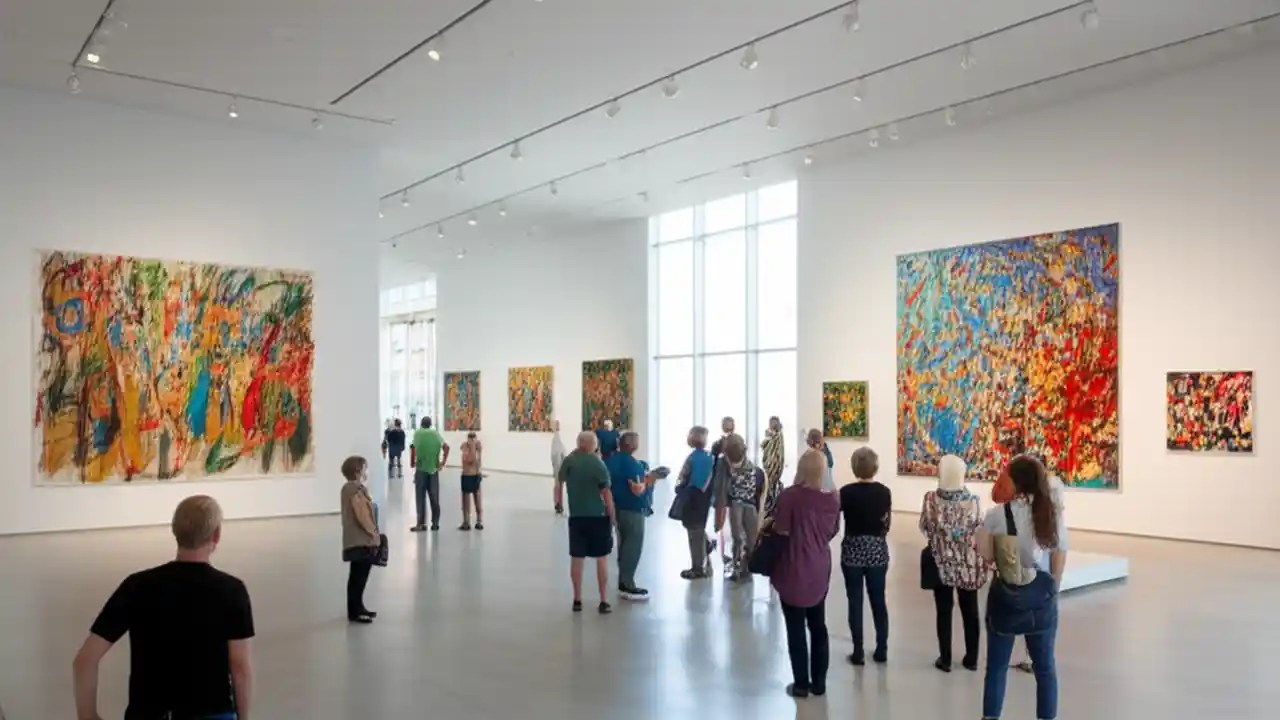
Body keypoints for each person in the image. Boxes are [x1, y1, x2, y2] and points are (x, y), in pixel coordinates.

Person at [73, 496, 254, 720]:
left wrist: (87, 716)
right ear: (216, 535)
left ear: (175, 531)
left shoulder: (137, 586)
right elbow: (240, 668)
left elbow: (85, 660)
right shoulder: (232, 590)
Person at [978, 455, 1069, 720]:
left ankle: (991, 716)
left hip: (1005, 596)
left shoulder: (996, 515)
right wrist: (1053, 586)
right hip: (1040, 597)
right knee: (1045, 668)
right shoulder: (1049, 514)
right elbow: (1059, 551)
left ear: (1014, 481)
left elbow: (986, 554)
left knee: (996, 668)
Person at [770, 450, 841, 698]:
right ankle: (819, 683)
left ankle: (801, 684)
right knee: (818, 625)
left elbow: (781, 530)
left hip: (793, 565)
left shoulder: (790, 496)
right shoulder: (833, 499)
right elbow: (832, 531)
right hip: (819, 567)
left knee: (795, 628)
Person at [919, 454, 988, 672]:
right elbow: (980, 530)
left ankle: (946, 659)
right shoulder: (974, 502)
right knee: (971, 610)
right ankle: (972, 658)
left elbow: (924, 527)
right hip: (967, 565)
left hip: (941, 563)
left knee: (943, 610)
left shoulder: (930, 500)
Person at [839, 446, 892, 665]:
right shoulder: (884, 492)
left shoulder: (845, 492)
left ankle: (858, 650)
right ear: (875, 467)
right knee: (878, 599)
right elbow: (886, 525)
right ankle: (882, 649)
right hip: (876, 551)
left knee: (855, 600)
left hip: (852, 550)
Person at [559, 431, 617, 614]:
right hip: (597, 517)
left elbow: (559, 482)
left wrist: (559, 503)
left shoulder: (569, 461)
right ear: (593, 445)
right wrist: (612, 516)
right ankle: (603, 600)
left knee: (577, 558)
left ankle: (577, 599)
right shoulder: (598, 464)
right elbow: (606, 493)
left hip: (577, 516)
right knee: (601, 558)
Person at [606, 430, 663, 601]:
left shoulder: (609, 461)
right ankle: (627, 584)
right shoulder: (633, 465)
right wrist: (651, 479)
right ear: (631, 445)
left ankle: (623, 579)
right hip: (632, 510)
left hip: (616, 508)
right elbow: (638, 489)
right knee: (632, 546)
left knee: (623, 545)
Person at [713, 434, 766, 581]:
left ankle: (739, 563)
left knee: (740, 537)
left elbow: (720, 492)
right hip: (746, 504)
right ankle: (742, 564)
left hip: (739, 504)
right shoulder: (753, 469)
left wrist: (718, 518)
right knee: (746, 537)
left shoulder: (727, 466)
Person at [341, 455, 381, 624]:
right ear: (358, 471)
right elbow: (362, 515)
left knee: (357, 577)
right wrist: (374, 534)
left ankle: (358, 607)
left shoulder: (349, 489)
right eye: (365, 468)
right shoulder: (355, 490)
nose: (367, 471)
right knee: (359, 577)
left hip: (356, 539)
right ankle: (355, 611)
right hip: (361, 540)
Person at [674, 426, 717, 579]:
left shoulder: (692, 458)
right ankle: (707, 545)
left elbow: (682, 477)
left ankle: (698, 568)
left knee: (693, 531)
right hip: (705, 497)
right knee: (698, 527)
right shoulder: (711, 458)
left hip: (692, 496)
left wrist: (678, 489)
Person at [411, 416, 449, 532]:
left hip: (421, 469)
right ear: (430, 424)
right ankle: (435, 523)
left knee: (420, 497)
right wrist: (443, 462)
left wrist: (412, 463)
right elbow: (446, 447)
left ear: (421, 424)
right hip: (433, 470)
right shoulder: (436, 434)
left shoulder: (417, 433)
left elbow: (413, 449)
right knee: (434, 497)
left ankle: (421, 524)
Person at [458, 432, 484, 530]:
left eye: (473, 439)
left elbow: (471, 460)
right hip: (468, 475)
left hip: (472, 475)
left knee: (476, 498)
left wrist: (472, 447)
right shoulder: (468, 447)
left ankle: (477, 521)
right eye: (470, 439)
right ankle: (467, 521)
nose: (471, 441)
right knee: (466, 499)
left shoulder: (476, 448)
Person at [761, 416, 786, 515]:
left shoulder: (777, 436)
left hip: (774, 465)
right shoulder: (775, 435)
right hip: (771, 465)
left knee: (771, 485)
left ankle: (771, 508)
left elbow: (776, 450)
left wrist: (769, 437)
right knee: (769, 486)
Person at [551, 419, 567, 514]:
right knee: (558, 486)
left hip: (560, 466)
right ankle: (558, 503)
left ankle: (558, 503)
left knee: (559, 486)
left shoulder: (558, 438)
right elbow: (556, 455)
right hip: (558, 466)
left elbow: (559, 454)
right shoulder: (556, 438)